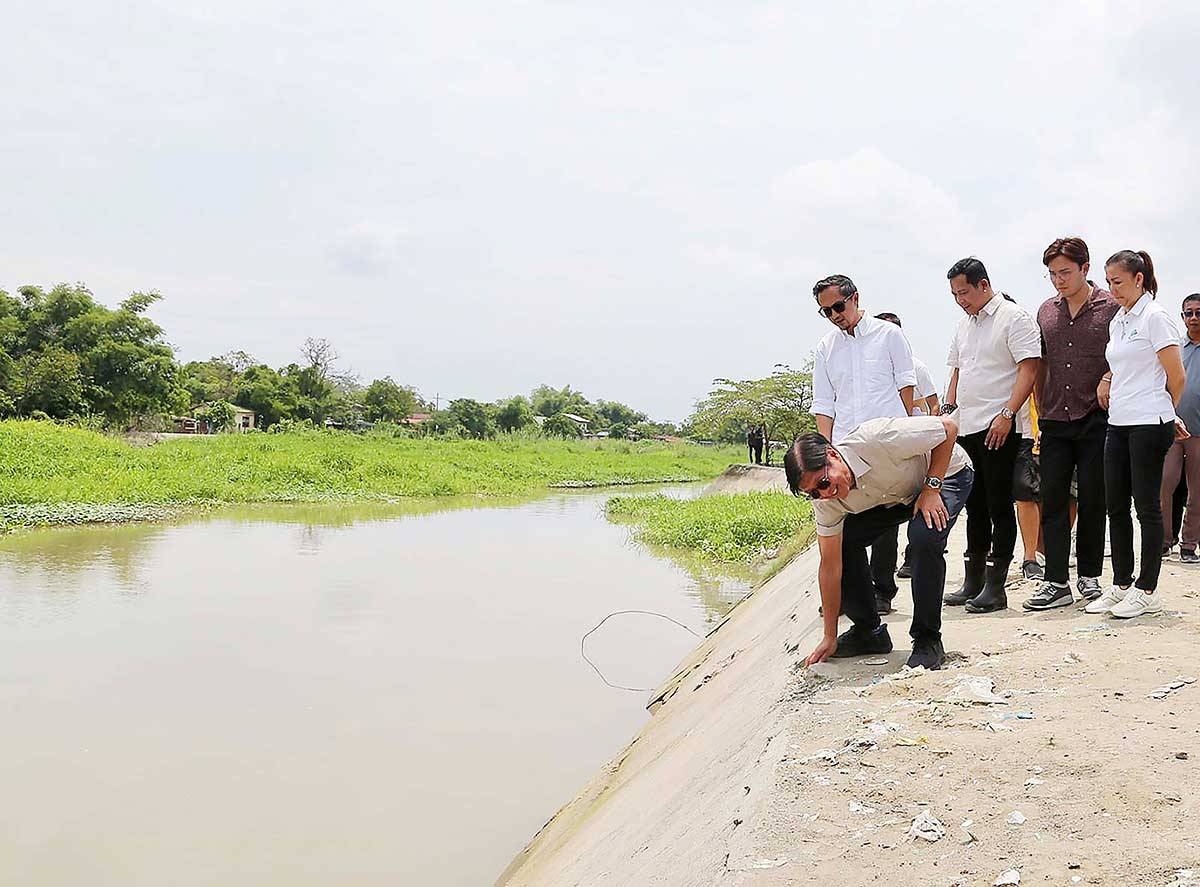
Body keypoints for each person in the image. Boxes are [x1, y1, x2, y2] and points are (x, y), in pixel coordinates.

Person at [784, 414, 973, 670]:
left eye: (824, 482)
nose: (826, 494)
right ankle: (868, 633)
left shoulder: (878, 438)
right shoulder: (826, 502)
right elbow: (829, 566)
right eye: (814, 493)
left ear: (833, 455)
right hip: (897, 496)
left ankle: (928, 640)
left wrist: (931, 489)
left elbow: (948, 428)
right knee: (845, 541)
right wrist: (829, 635)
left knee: (923, 537)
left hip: (945, 474)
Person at [1085, 250, 1188, 618]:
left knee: (1146, 506)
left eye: (1118, 282)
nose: (1112, 289)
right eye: (1109, 282)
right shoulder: (1120, 319)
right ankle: (1122, 583)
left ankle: (1148, 589)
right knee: (1116, 506)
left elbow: (1176, 376)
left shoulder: (1155, 317)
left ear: (1139, 279)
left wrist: (1165, 412)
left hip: (1149, 421)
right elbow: (1121, 366)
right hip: (1119, 421)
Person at [811, 276, 917, 616]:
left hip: (886, 442)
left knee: (885, 519)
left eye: (838, 307)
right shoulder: (826, 348)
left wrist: (904, 431)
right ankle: (846, 595)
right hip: (844, 447)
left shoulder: (889, 336)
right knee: (844, 522)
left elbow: (906, 385)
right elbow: (824, 403)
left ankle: (883, 590)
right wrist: (825, 453)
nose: (834, 315)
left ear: (854, 298)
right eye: (826, 311)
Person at [1023, 237, 1119, 611]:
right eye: (1052, 274)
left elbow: (1128, 353)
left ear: (1085, 268)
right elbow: (1041, 362)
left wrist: (1108, 376)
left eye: (1065, 272)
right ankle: (1056, 581)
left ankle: (1091, 577)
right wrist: (1038, 404)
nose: (1058, 280)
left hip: (1097, 417)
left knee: (1094, 498)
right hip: (1054, 418)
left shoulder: (1111, 308)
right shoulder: (1046, 310)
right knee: (1053, 500)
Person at [940, 258, 1041, 614]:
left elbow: (1029, 369)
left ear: (984, 285)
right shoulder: (963, 326)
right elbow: (957, 371)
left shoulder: (1014, 318)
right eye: (954, 294)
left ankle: (996, 586)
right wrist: (948, 411)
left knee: (999, 504)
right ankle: (974, 580)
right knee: (975, 505)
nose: (960, 300)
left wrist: (1008, 413)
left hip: (999, 426)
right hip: (966, 426)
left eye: (964, 292)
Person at [876, 311, 941, 581]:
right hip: (882, 445)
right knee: (885, 514)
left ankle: (913, 556)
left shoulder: (917, 368)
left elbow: (934, 403)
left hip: (913, 443)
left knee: (916, 502)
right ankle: (881, 581)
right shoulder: (872, 369)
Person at [1159, 293, 1200, 565]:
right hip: (1172, 429)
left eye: (1199, 312)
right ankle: (1163, 542)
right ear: (1182, 316)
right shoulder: (1174, 347)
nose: (1194, 317)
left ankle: (1188, 545)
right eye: (1189, 313)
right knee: (1164, 484)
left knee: (1198, 492)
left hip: (1199, 434)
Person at [1013, 391, 1044, 580]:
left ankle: (1034, 556)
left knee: (1030, 492)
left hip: (1029, 429)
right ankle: (1030, 557)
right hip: (985, 423)